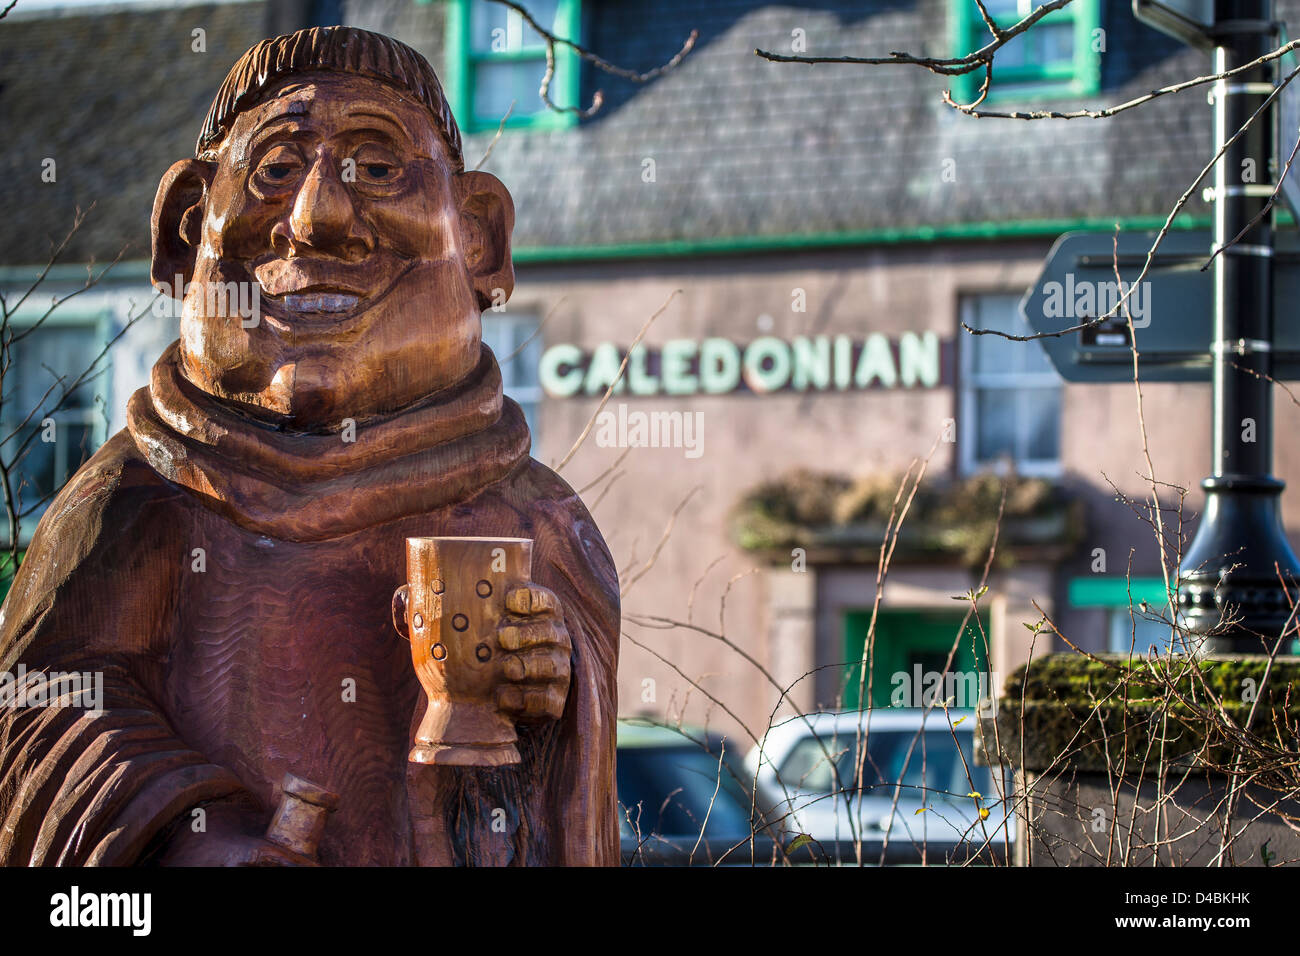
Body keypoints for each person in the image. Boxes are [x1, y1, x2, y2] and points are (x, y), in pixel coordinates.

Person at [0, 26, 619, 867]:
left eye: (376, 168)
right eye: (276, 170)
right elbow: (33, 716)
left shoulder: (537, 516)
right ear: (186, 231)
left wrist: (553, 692)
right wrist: (196, 844)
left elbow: (578, 809)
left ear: (478, 235)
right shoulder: (132, 500)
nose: (319, 218)